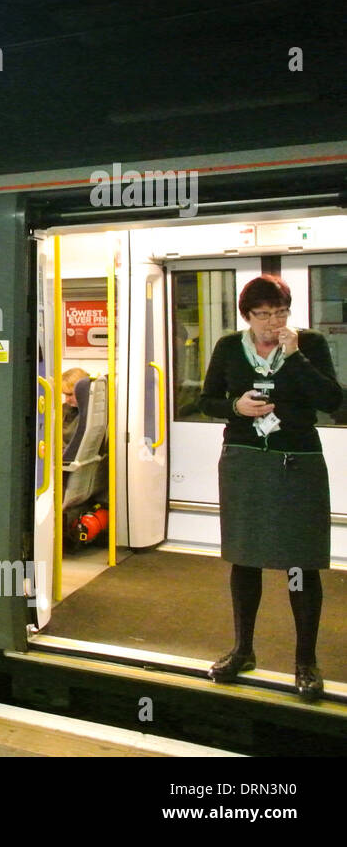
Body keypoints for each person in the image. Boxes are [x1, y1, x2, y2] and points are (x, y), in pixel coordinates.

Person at [200, 275, 342, 700]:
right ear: (247, 316)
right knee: (245, 559)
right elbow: (207, 401)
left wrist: (295, 357)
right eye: (263, 315)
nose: (272, 323)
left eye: (280, 313)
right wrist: (235, 407)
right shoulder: (229, 347)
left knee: (300, 563)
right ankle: (243, 649)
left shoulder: (308, 344)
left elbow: (332, 399)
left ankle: (305, 660)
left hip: (298, 461)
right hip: (245, 460)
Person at [61, 367, 90, 450]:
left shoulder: (92, 413)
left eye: (70, 394)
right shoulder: (64, 409)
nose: (67, 399)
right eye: (65, 395)